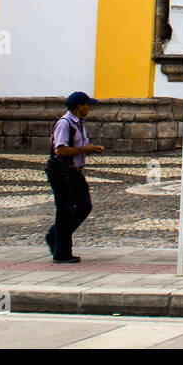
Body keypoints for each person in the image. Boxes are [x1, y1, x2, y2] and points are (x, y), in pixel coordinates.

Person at [45, 91, 104, 264]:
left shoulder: (80, 123)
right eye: (87, 105)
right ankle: (62, 253)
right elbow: (60, 149)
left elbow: (78, 145)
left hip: (75, 172)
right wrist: (85, 150)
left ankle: (54, 236)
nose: (89, 108)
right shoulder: (65, 123)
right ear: (80, 106)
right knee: (65, 211)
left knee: (85, 206)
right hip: (62, 173)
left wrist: (90, 148)